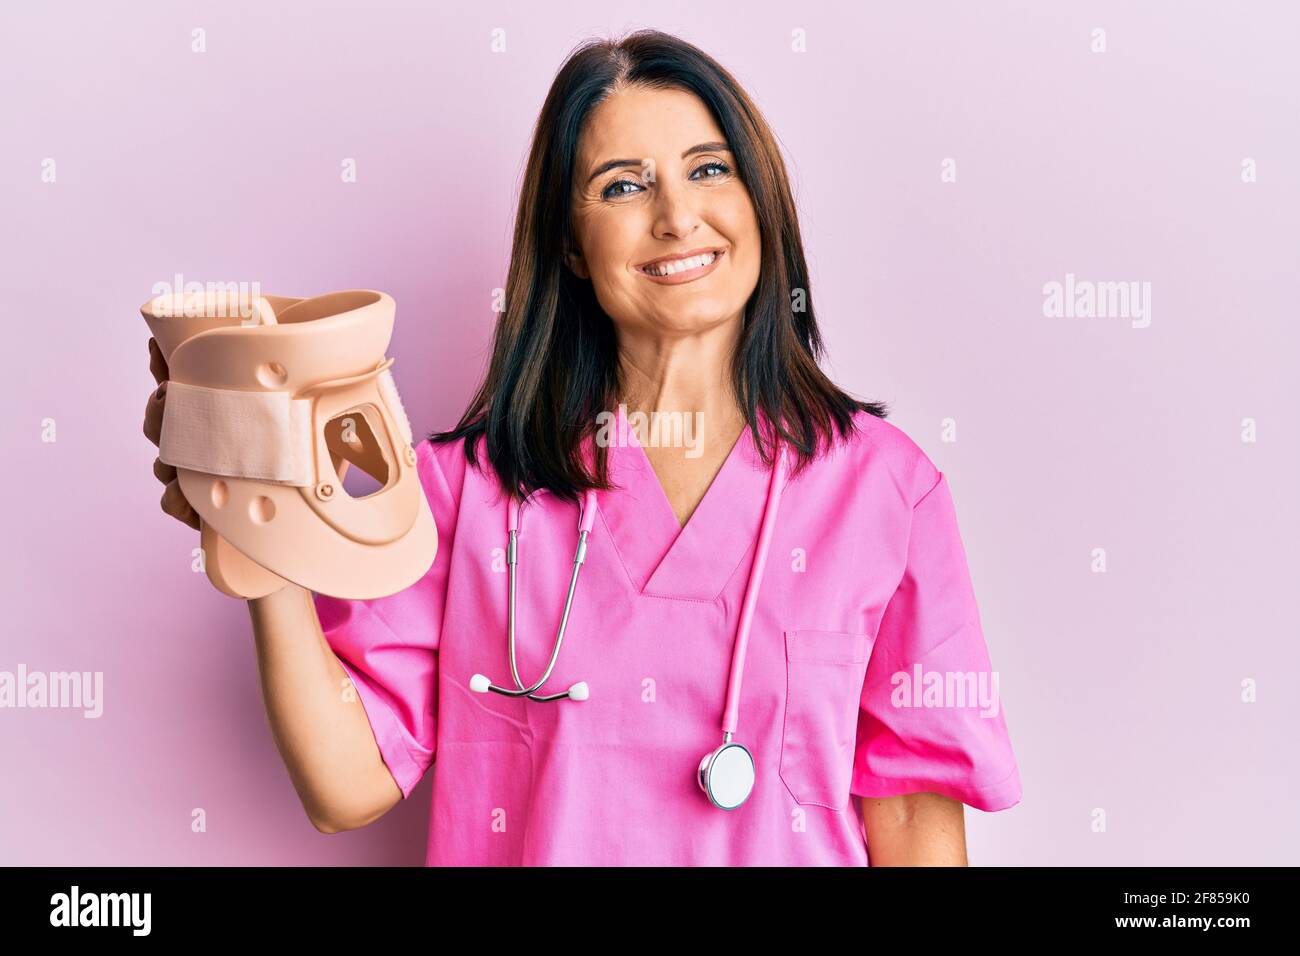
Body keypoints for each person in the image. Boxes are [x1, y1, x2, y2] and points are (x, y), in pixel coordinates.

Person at [143, 29, 1020, 866]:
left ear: (760, 199)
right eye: (622, 186)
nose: (678, 218)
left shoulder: (884, 490)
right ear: (570, 243)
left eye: (709, 171)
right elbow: (346, 784)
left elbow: (910, 811)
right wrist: (263, 539)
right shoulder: (466, 495)